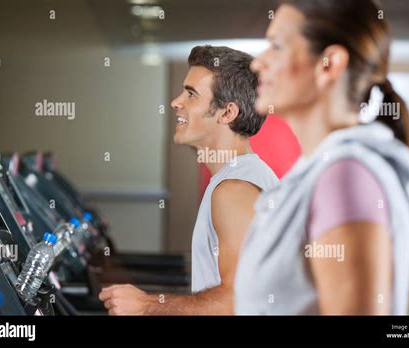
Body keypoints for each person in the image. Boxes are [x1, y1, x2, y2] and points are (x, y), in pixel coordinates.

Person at [234, 0, 409, 315]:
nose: (258, 63)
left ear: (329, 64)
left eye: (276, 46)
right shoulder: (323, 171)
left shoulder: (345, 175)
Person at [99, 45, 279, 315]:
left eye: (191, 94)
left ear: (227, 113)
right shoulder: (239, 178)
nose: (175, 102)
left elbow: (239, 300)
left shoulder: (234, 190)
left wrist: (147, 306)